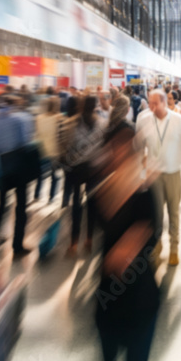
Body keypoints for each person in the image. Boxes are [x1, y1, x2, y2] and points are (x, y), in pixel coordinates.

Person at [91, 125, 161, 361]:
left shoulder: (145, 190)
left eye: (121, 149)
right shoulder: (102, 189)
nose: (116, 155)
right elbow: (97, 222)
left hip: (141, 297)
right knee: (108, 350)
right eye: (111, 149)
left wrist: (130, 248)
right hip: (107, 296)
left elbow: (153, 231)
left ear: (131, 151)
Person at [134, 90, 181, 266]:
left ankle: (174, 248)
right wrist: (140, 172)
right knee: (156, 213)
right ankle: (157, 244)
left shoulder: (179, 121)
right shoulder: (144, 118)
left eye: (155, 104)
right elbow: (139, 148)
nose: (152, 107)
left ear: (164, 102)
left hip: (173, 173)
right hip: (153, 174)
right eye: (150, 103)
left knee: (174, 212)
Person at [0, 96, 34, 256]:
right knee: (21, 206)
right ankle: (17, 246)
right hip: (19, 166)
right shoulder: (19, 119)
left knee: (1, 203)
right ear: (15, 105)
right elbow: (25, 142)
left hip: (3, 166)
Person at [61, 95, 104, 256]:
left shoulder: (72, 122)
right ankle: (89, 240)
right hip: (93, 169)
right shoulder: (101, 123)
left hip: (76, 169)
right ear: (95, 106)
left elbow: (66, 146)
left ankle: (73, 243)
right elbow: (102, 147)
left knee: (76, 206)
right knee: (92, 204)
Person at [34, 96, 63, 203]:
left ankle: (37, 194)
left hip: (41, 150)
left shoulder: (39, 118)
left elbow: (36, 133)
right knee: (54, 176)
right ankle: (51, 197)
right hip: (54, 151)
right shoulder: (59, 118)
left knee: (40, 174)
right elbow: (60, 136)